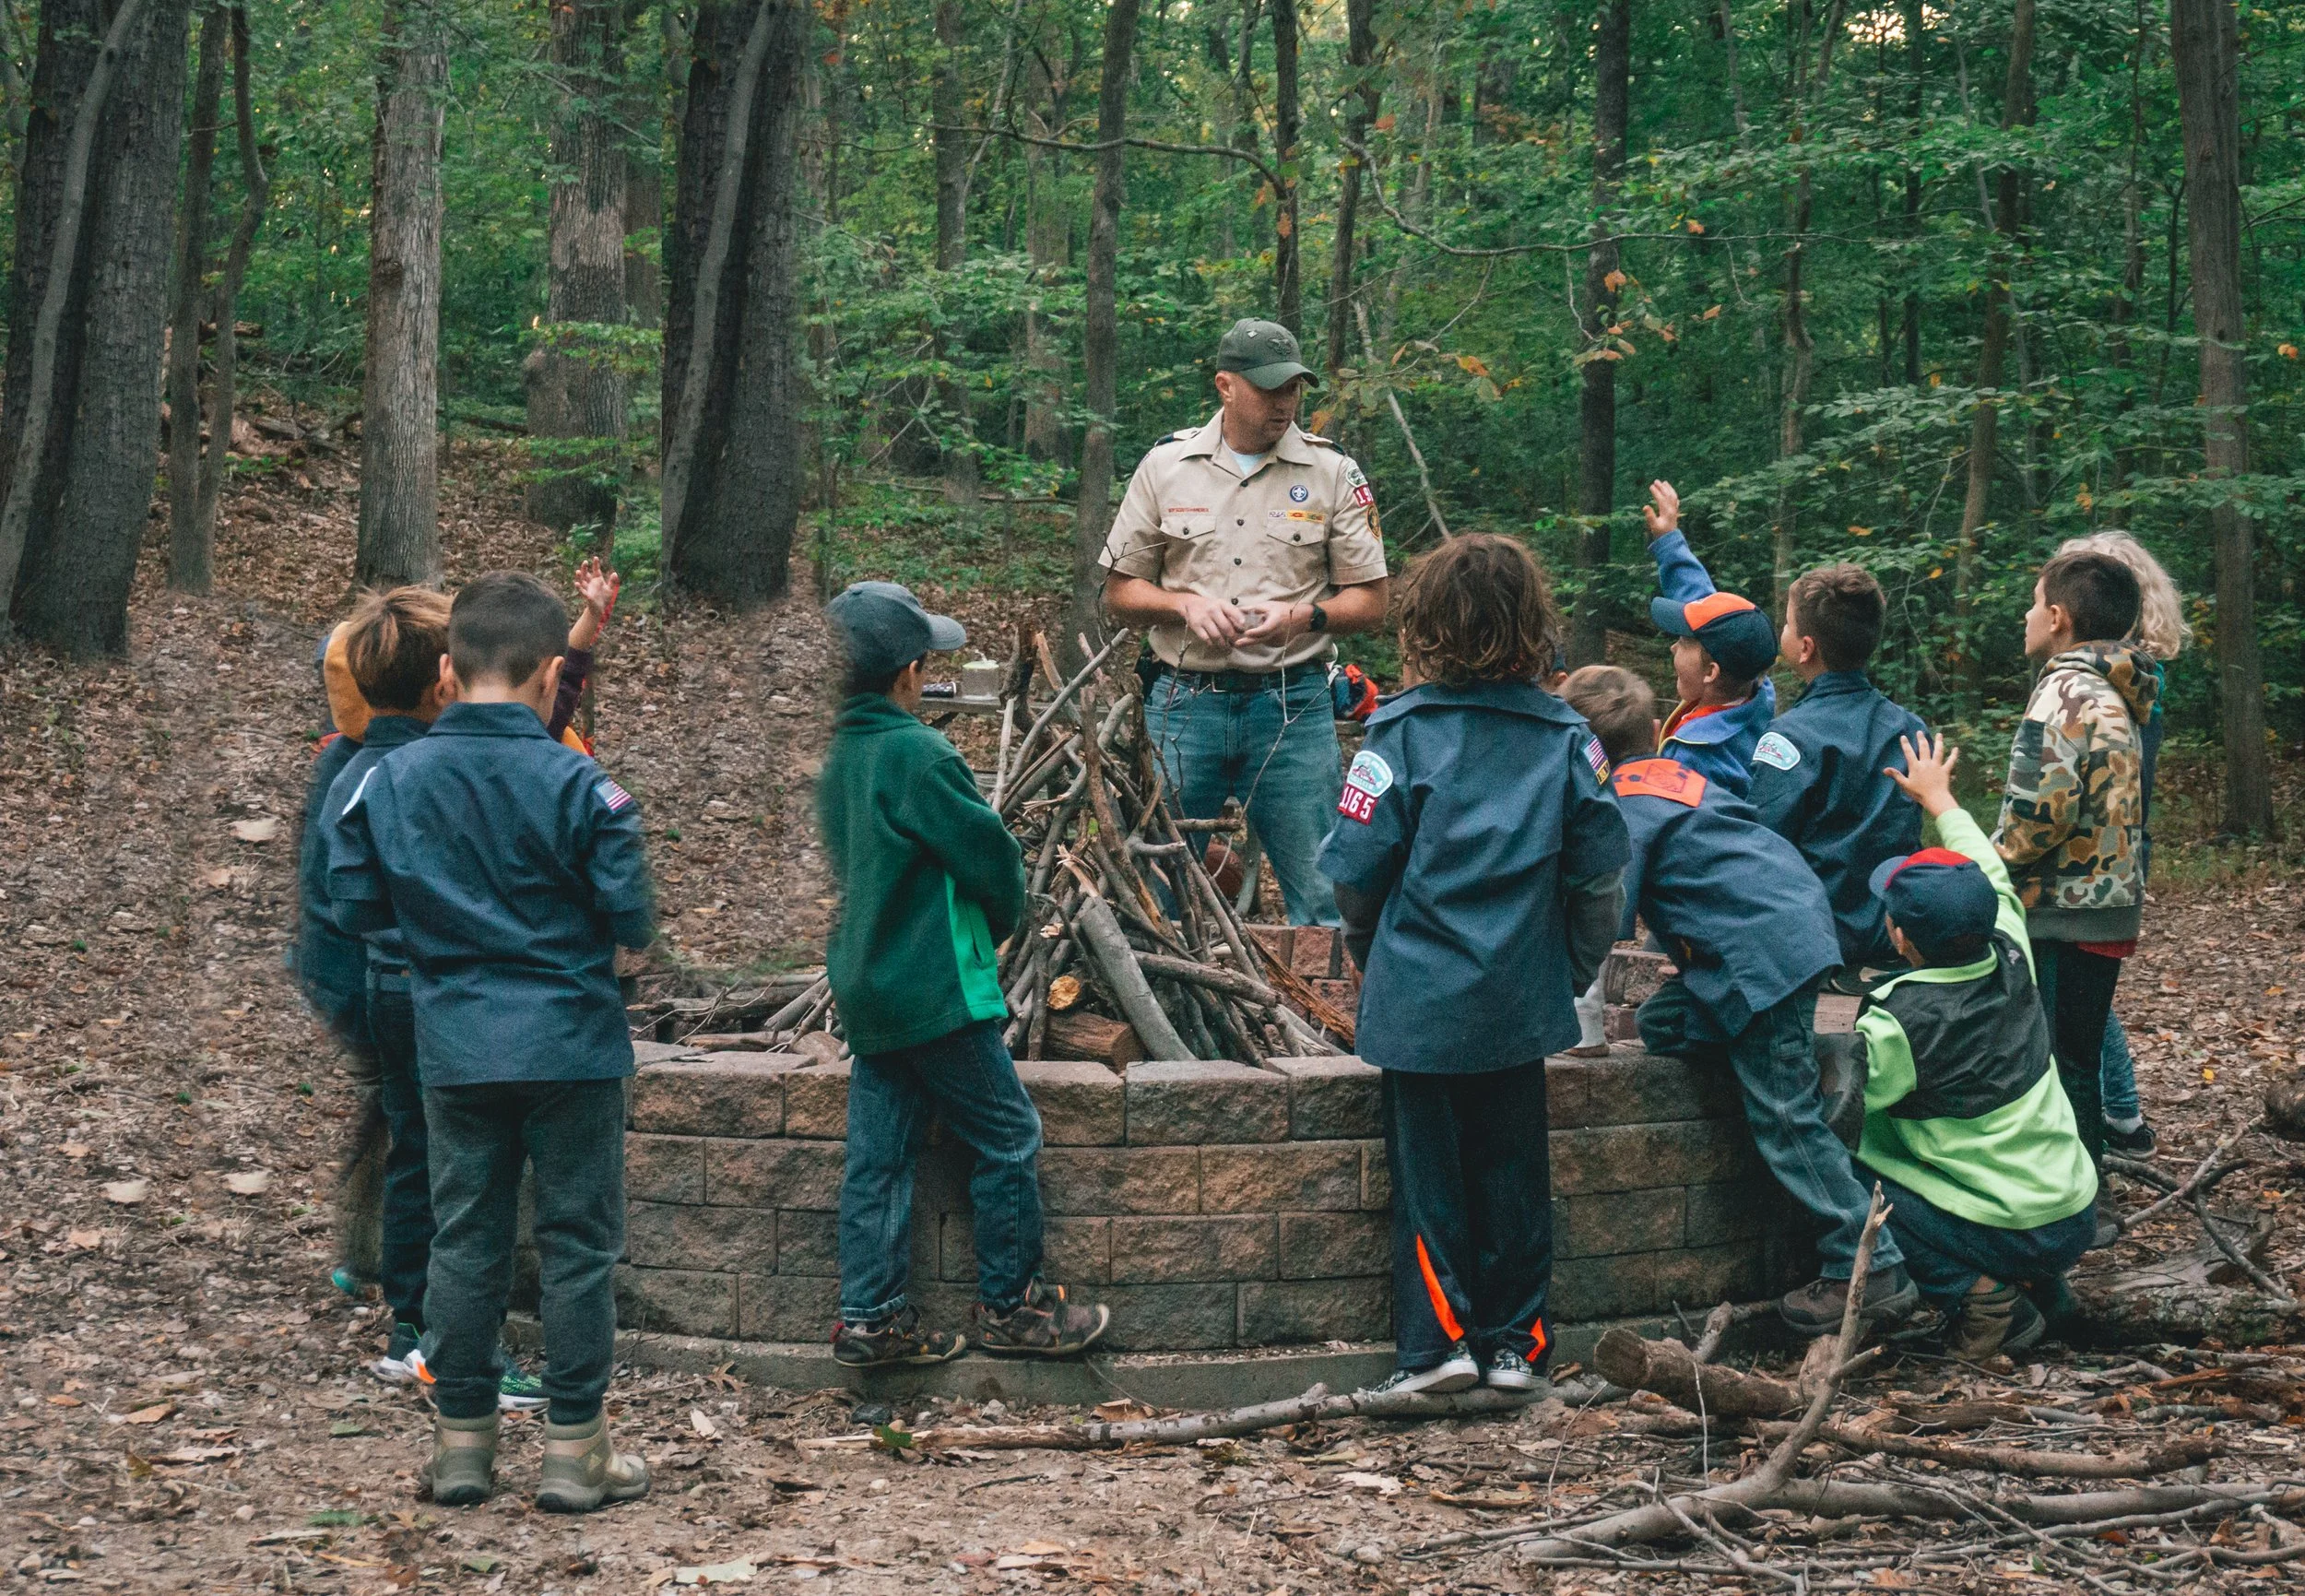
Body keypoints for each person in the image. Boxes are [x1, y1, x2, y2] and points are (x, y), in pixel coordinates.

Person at [329, 572, 655, 1512]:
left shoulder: (386, 779)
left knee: (464, 1242)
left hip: (457, 1046)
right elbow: (631, 918)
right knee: (577, 1246)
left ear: (447, 666)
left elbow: (356, 906)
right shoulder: (583, 785)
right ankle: (573, 1452)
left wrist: (441, 947)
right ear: (554, 672)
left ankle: (463, 1449)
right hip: (572, 1048)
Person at [1318, 538, 1628, 1396]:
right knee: (1516, 1172)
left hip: (1418, 999)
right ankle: (1515, 1347)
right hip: (1519, 1000)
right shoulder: (1568, 740)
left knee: (1429, 1178)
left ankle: (1437, 1347)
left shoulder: (1396, 736)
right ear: (1533, 625)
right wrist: (1566, 971)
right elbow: (1600, 879)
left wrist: (1371, 954)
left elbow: (1354, 873)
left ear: (1424, 624)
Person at [1560, 665, 1918, 1336]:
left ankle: (1869, 1266)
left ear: (1586, 752)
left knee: (1786, 1117)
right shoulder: (1677, 778)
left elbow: (1600, 920)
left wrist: (1580, 1030)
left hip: (1762, 960)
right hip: (1793, 928)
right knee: (1664, 1021)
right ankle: (1750, 1044)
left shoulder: (1621, 810)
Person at [819, 581, 1110, 1366]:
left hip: (867, 991)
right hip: (938, 991)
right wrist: (1001, 919)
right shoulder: (917, 752)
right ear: (909, 674)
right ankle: (1010, 1305)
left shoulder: (828, 755)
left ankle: (870, 1317)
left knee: (879, 1158)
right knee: (1008, 1135)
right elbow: (991, 859)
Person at [1100, 318, 1391, 927]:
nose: (1284, 402)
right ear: (1225, 386)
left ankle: (1320, 1020)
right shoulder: (1166, 465)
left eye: (1293, 388)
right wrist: (1184, 605)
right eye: (1268, 388)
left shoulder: (1332, 472)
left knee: (1324, 897)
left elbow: (1373, 601)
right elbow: (1119, 592)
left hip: (1293, 705)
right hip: (1183, 704)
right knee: (1154, 896)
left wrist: (1304, 615)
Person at [1858, 733, 2099, 1359]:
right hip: (2073, 1208)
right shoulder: (2008, 940)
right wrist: (1940, 798)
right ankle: (2047, 1290)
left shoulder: (1898, 1026)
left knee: (1856, 1179)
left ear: (1901, 938)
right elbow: (1982, 862)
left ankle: (1985, 1300)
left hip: (2013, 1227)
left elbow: (1840, 1100)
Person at [1992, 549, 2155, 1173]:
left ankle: (2077, 1196)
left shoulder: (2063, 691)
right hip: (2105, 906)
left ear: (2057, 616)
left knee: (2060, 1059)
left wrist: (1987, 860)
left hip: (2062, 909)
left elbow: (2041, 814)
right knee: (2080, 1057)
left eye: (2034, 604)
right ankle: (2086, 1190)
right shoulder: (2114, 688)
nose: (2027, 615)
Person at [2057, 532, 2190, 1158]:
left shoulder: (2115, 683)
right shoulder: (2128, 677)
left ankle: (2120, 1119)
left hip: (2097, 863)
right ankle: (2123, 1115)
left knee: (2080, 1005)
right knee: (2085, 1000)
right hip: (2114, 858)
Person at [1748, 562, 1928, 979]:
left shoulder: (1787, 739)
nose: (1784, 632)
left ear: (1805, 647)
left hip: (1815, 941)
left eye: (1788, 624)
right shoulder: (1912, 730)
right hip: (1893, 937)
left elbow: (1762, 846)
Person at [1640, 481, 1779, 796]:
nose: (1674, 645)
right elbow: (1701, 600)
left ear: (1711, 672)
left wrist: (1645, 765)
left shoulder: (1696, 758)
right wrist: (1668, 540)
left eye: (1685, 642)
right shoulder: (1755, 690)